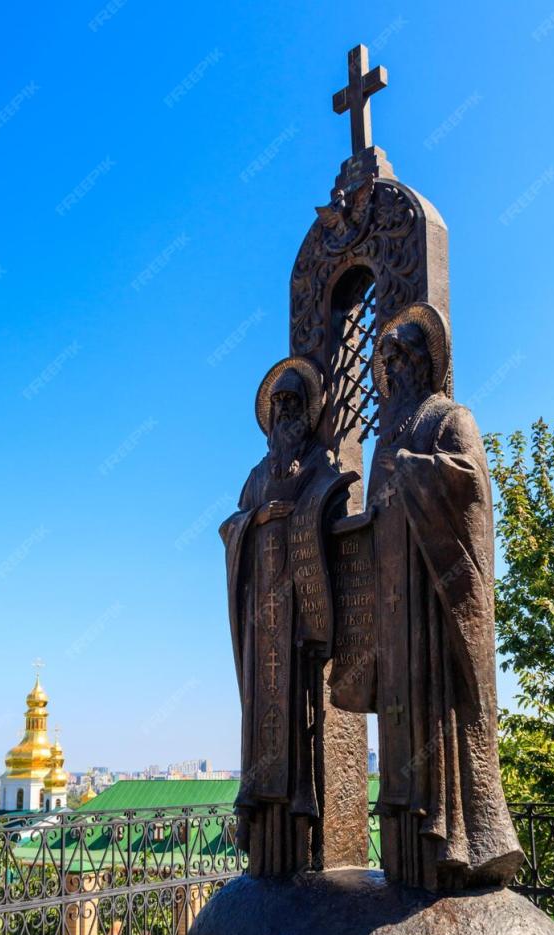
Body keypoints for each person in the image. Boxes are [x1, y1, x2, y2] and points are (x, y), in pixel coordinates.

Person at [367, 303, 523, 890]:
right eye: (388, 357)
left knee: (440, 715)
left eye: (405, 354)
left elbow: (468, 486)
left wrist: (409, 470)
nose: (396, 364)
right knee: (400, 719)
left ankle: (456, 842)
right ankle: (404, 852)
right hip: (395, 604)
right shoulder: (390, 432)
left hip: (436, 601)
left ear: (427, 361)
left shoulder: (451, 418)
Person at [220, 357, 355, 876]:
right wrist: (257, 519)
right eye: (278, 404)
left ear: (307, 410)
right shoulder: (257, 476)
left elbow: (335, 516)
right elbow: (229, 529)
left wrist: (302, 515)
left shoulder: (319, 463)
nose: (285, 413)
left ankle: (301, 823)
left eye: (295, 403)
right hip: (262, 619)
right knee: (262, 715)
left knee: (300, 719)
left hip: (298, 619)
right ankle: (264, 826)